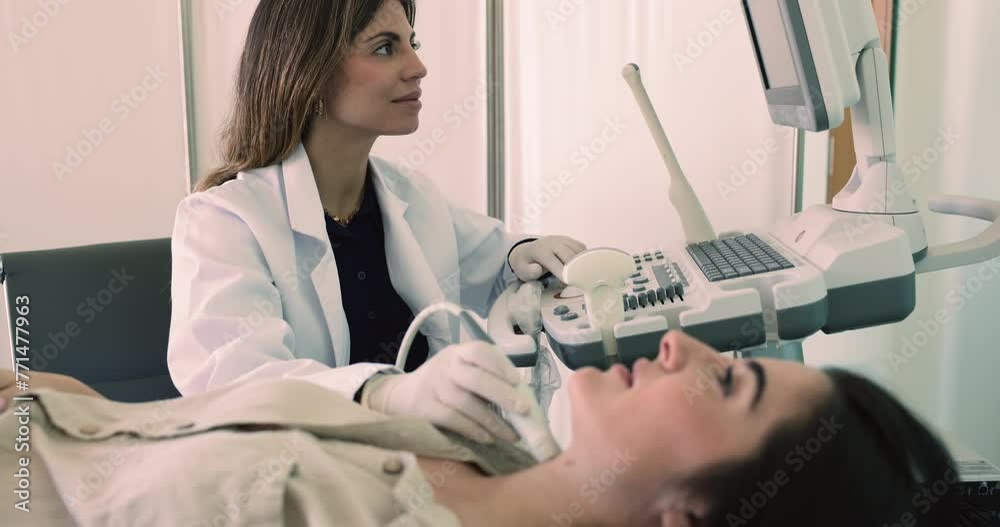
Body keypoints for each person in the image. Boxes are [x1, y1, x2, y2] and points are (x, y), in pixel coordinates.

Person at [2, 331, 965, 526]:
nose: (679, 340)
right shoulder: (501, 449)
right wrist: (380, 395)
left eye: (726, 381)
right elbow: (154, 435)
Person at [167, 0, 585, 445]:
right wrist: (384, 394)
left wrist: (524, 253)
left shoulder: (409, 196)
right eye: (385, 48)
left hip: (432, 469)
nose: (418, 67)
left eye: (412, 43)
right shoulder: (225, 221)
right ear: (310, 72)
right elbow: (237, 382)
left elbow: (491, 258)